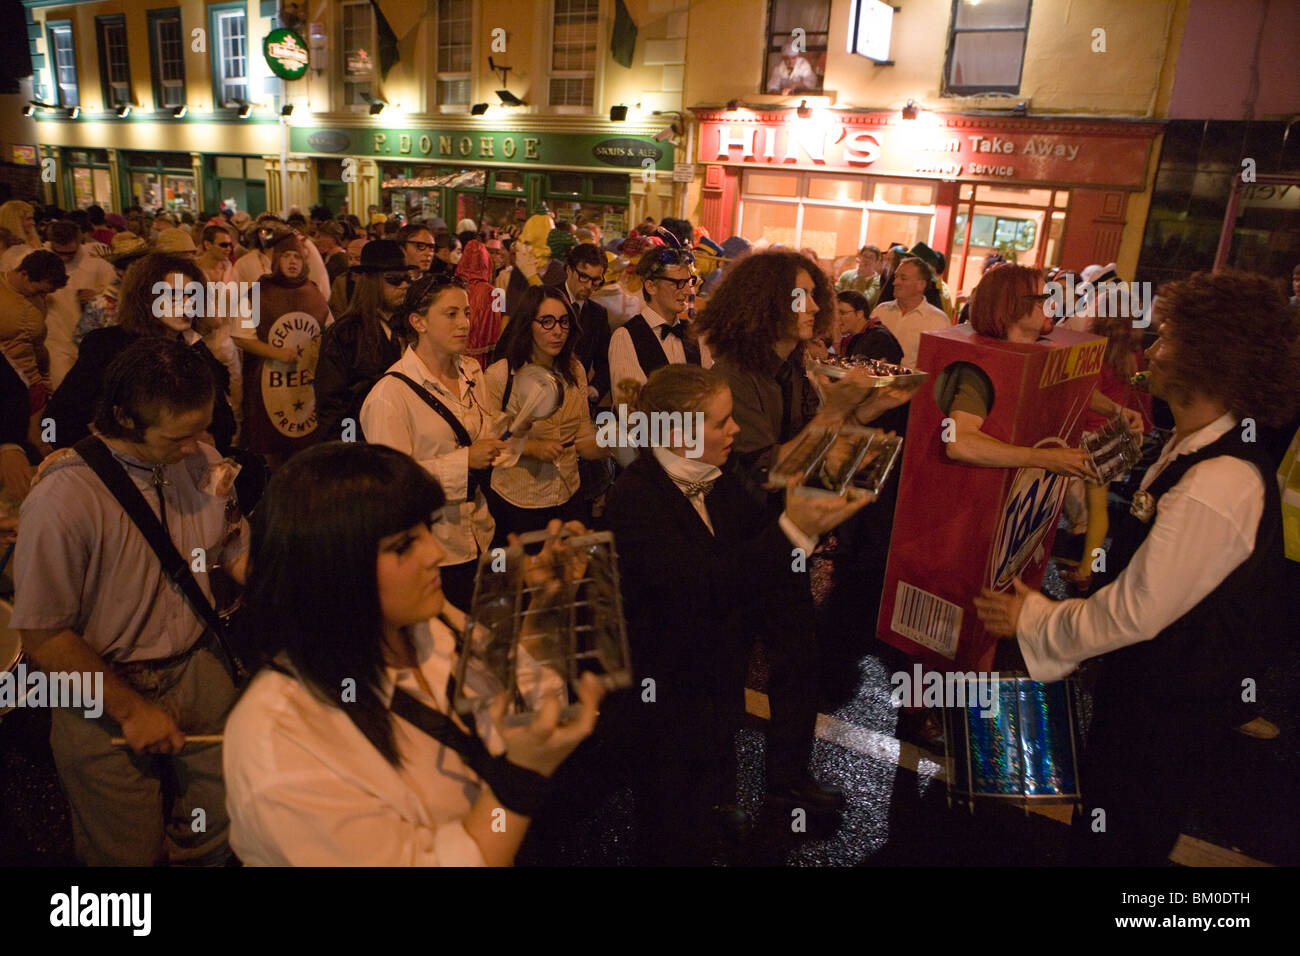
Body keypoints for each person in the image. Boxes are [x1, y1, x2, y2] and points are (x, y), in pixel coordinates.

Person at [975, 270, 1299, 866]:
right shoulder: (1196, 447)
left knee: (1120, 843)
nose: (1151, 349)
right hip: (1151, 703)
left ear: (1210, 359)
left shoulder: (1216, 479)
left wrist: (1034, 617)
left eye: (1169, 336)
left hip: (1165, 718)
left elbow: (1137, 611)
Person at [222, 441, 603, 865]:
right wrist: (520, 780)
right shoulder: (280, 740)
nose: (435, 553)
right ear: (333, 566)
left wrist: (548, 612)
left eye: (428, 529)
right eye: (404, 545)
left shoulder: (424, 623)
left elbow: (512, 699)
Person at [602, 365, 873, 863]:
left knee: (714, 767)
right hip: (664, 694)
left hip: (717, 679)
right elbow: (706, 585)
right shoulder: (635, 499)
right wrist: (794, 528)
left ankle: (717, 813)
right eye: (721, 422)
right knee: (669, 817)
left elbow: (756, 548)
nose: (736, 430)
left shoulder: (720, 477)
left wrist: (821, 490)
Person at [12, 338, 248, 865]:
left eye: (201, 429)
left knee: (220, 821)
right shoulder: (62, 498)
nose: (198, 446)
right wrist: (131, 710)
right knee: (124, 849)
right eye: (178, 437)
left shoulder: (204, 460)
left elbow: (232, 548)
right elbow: (44, 637)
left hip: (198, 664)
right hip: (104, 683)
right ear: (124, 417)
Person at [693, 249, 913, 814]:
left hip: (786, 544)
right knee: (721, 678)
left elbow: (814, 442)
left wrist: (870, 411)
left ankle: (787, 783)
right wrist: (836, 409)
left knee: (798, 664)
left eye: (816, 294)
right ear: (767, 304)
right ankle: (711, 802)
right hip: (740, 545)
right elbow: (771, 471)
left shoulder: (793, 369)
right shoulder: (734, 377)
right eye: (802, 295)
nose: (815, 306)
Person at [360, 275, 505, 611]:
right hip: (434, 547)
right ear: (418, 322)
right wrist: (464, 461)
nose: (464, 324)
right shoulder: (390, 396)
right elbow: (391, 487)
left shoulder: (471, 372)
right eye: (451, 314)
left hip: (481, 531)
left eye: (467, 313)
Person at [941, 264, 1141, 477]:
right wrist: (1045, 458)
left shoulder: (1037, 351)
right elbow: (958, 442)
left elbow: (1065, 387)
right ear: (1011, 306)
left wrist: (1114, 410)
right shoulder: (982, 366)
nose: (1053, 304)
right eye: (1043, 299)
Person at [47, 253, 236, 454]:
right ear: (145, 299)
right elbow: (55, 420)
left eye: (192, 295)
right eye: (173, 295)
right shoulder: (109, 345)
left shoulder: (194, 346)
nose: (186, 305)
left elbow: (224, 421)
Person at [484, 287, 608, 540]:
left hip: (568, 492)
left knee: (568, 571)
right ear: (527, 324)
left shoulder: (575, 370)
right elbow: (486, 442)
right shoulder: (501, 375)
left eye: (564, 322)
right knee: (520, 574)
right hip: (518, 500)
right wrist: (532, 448)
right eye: (546, 322)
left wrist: (606, 445)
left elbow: (583, 433)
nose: (557, 331)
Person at [231, 233, 329, 467]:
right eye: (286, 256)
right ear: (276, 260)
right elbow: (240, 335)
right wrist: (275, 352)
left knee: (305, 445)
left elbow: (327, 328)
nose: (293, 262)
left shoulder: (313, 292)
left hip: (305, 383)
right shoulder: (257, 292)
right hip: (269, 382)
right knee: (271, 446)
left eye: (297, 256)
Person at [314, 240, 416, 442]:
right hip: (365, 443)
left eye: (407, 278)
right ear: (373, 282)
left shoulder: (411, 328)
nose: (404, 285)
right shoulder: (345, 334)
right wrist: (350, 449)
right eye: (394, 279)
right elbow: (334, 406)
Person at [607, 247, 701, 392]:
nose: (688, 291)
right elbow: (630, 406)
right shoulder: (625, 337)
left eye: (689, 282)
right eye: (678, 283)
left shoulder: (693, 333)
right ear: (651, 287)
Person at [42, 220, 116, 392]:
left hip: (91, 338)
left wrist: (97, 294)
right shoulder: (41, 259)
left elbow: (117, 291)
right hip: (55, 337)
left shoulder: (96, 260)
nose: (65, 258)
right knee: (62, 386)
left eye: (70, 253)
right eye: (59, 253)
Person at [0, 250, 68, 415]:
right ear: (24, 274)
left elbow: (38, 345)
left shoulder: (38, 299)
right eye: (39, 291)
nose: (43, 296)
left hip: (33, 384)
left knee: (46, 434)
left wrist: (44, 379)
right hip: (5, 387)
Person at [555, 243, 612, 406]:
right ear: (569, 270)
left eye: (595, 281)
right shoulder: (544, 299)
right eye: (584, 277)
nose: (588, 286)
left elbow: (606, 361)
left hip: (577, 403)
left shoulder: (598, 314)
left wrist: (595, 388)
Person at [867, 256, 950, 369]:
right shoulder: (881, 311)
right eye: (896, 277)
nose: (895, 282)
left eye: (903, 278)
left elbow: (938, 365)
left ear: (921, 285)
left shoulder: (938, 321)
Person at [457, 238, 503, 369]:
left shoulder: (453, 288)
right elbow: (499, 327)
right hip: (483, 360)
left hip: (454, 353)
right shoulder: (496, 292)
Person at [0, 200, 42, 271]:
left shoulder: (32, 241)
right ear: (14, 221)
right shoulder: (5, 248)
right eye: (28, 219)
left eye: (32, 218)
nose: (33, 223)